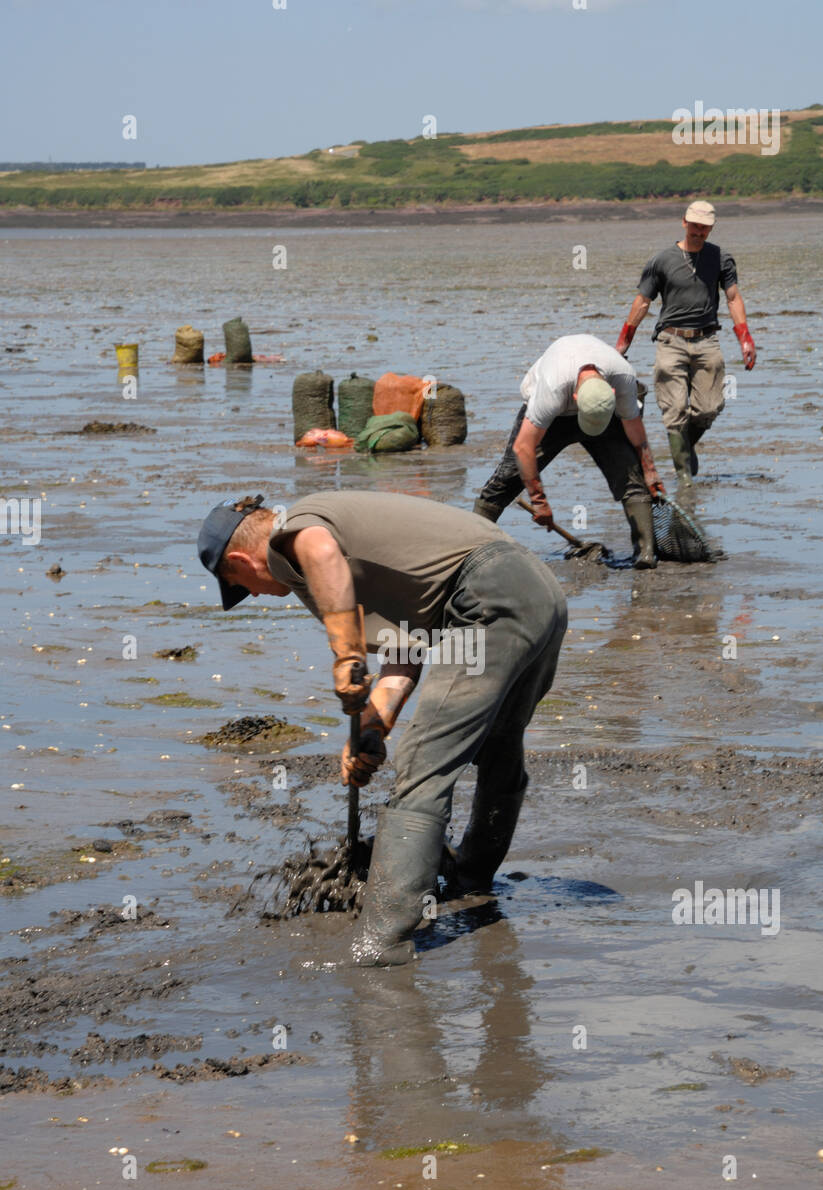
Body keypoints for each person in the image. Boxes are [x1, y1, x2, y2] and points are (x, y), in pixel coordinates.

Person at [197, 491, 567, 966]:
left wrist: (348, 654)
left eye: (238, 583)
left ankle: (383, 942)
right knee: (497, 747)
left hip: (489, 598)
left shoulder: (294, 536)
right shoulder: (352, 552)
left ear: (239, 558)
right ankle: (471, 880)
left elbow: (319, 549)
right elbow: (408, 647)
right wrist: (373, 726)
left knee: (422, 763)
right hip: (538, 594)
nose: (251, 594)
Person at [473, 333, 664, 569]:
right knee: (508, 477)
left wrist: (650, 470)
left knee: (630, 474)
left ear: (612, 393)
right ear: (574, 397)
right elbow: (523, 447)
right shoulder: (553, 389)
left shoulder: (623, 377)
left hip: (604, 413)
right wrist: (539, 500)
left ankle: (645, 553)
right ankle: (473, 544)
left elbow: (634, 427)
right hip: (555, 419)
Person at [615, 199, 757, 482]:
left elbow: (732, 297)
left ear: (711, 228)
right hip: (671, 341)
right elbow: (643, 302)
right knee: (674, 411)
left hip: (707, 342)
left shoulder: (721, 258)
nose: (699, 232)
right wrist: (623, 343)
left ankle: (684, 446)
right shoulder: (661, 260)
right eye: (695, 226)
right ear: (684, 222)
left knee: (709, 407)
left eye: (705, 228)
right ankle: (685, 480)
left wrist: (746, 339)